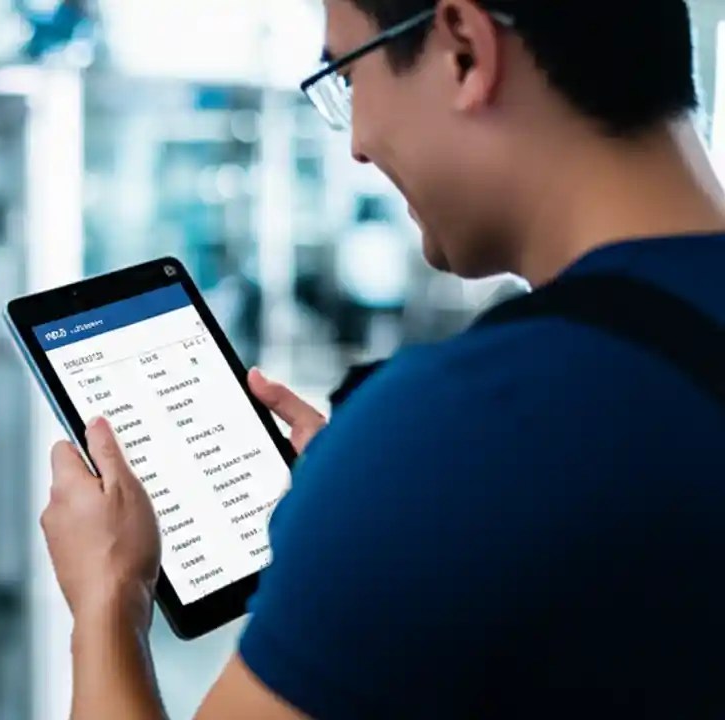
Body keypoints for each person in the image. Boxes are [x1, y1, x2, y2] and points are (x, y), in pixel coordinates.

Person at [40, 0, 725, 718]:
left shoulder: (463, 433)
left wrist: (107, 600)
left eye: (347, 77)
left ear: (463, 50)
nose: (358, 143)